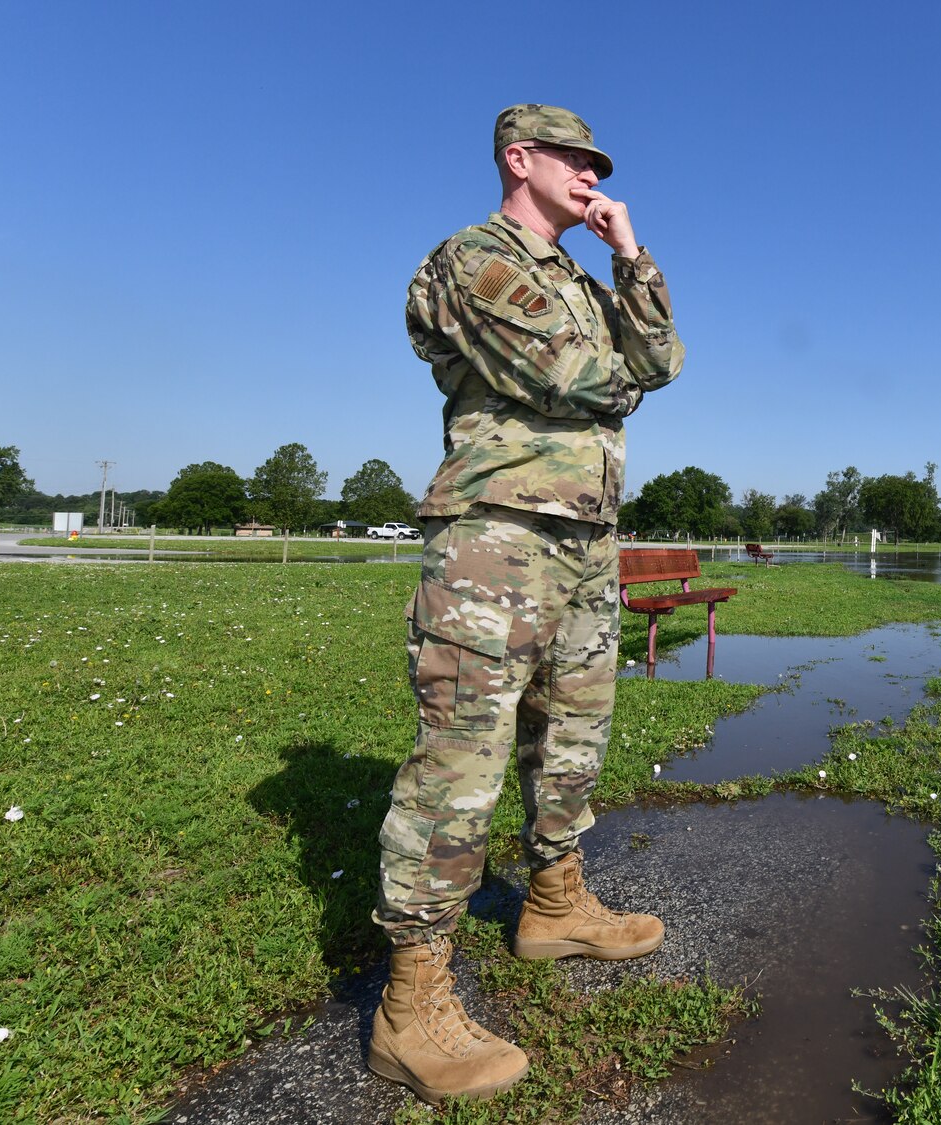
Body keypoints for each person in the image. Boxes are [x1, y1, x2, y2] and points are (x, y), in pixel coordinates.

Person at [367, 104, 685, 1104]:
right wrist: (623, 365)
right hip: (496, 540)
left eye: (598, 164)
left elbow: (661, 361)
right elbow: (581, 378)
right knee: (460, 765)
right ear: (519, 158)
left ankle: (554, 903)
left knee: (572, 738)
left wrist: (631, 258)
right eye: (573, 158)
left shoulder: (582, 281)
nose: (591, 174)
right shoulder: (474, 260)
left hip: (584, 543)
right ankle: (410, 1005)